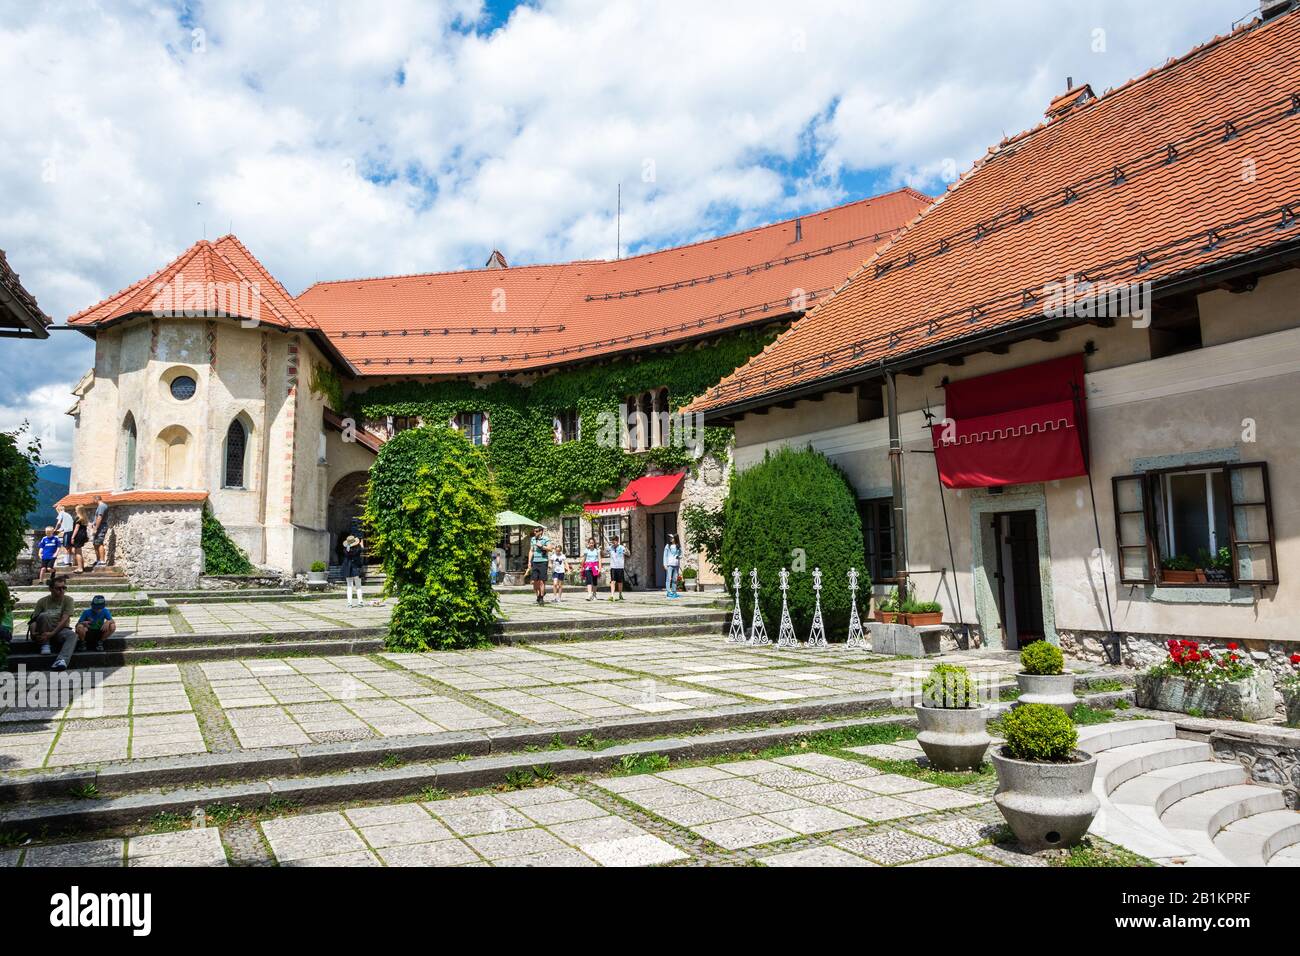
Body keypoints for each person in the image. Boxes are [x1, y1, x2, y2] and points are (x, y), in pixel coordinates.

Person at [28, 576, 77, 671]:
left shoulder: (68, 600)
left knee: (73, 636)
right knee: (43, 615)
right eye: (58, 588)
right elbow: (34, 620)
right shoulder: (42, 601)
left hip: (60, 629)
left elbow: (64, 619)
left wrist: (52, 633)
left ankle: (62, 660)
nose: (62, 591)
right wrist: (33, 633)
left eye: (64, 588)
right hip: (44, 629)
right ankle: (45, 644)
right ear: (50, 589)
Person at [341, 534, 365, 607]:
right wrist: (361, 544)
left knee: (349, 586)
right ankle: (360, 602)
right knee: (358, 586)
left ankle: (349, 603)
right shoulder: (358, 549)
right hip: (356, 569)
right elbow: (361, 548)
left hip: (348, 569)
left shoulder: (345, 549)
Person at [528, 525, 550, 605]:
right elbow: (531, 551)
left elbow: (550, 548)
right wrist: (529, 562)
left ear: (541, 532)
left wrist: (542, 546)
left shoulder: (546, 539)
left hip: (543, 561)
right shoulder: (533, 539)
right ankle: (538, 595)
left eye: (536, 531)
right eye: (534, 531)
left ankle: (541, 598)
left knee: (542, 581)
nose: (535, 533)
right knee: (534, 582)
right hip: (535, 561)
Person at [90, 494, 110, 568]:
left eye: (93, 499)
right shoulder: (100, 506)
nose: (93, 501)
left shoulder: (102, 506)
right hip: (99, 526)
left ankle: (102, 561)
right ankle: (98, 560)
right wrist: (93, 524)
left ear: (96, 499)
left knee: (99, 543)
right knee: (95, 543)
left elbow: (100, 517)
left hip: (101, 527)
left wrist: (96, 528)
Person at [607, 535, 629, 602]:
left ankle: (620, 594)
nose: (614, 543)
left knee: (620, 582)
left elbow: (628, 554)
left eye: (615, 541)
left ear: (617, 541)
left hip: (620, 567)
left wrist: (626, 549)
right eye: (613, 542)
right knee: (613, 581)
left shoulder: (622, 547)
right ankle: (612, 595)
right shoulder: (610, 548)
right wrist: (602, 550)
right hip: (613, 567)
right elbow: (604, 553)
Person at [581, 536, 602, 602]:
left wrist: (600, 568)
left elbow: (599, 560)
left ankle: (594, 594)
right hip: (588, 566)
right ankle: (589, 594)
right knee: (588, 580)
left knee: (594, 581)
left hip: (595, 566)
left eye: (592, 543)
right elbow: (584, 559)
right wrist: (582, 567)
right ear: (588, 544)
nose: (591, 544)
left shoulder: (597, 551)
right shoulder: (586, 551)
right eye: (590, 543)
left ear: (594, 543)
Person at [71, 506, 90, 573]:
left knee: (77, 552)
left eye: (76, 510)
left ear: (78, 510)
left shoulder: (78, 518)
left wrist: (72, 537)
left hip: (78, 536)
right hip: (82, 535)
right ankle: (82, 566)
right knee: (79, 551)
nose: (75, 511)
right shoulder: (84, 518)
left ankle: (80, 568)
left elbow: (76, 528)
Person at [662, 533, 682, 599]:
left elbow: (681, 555)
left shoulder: (678, 546)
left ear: (675, 538)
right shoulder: (667, 546)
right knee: (668, 578)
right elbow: (665, 556)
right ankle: (668, 592)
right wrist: (665, 564)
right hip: (669, 564)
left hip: (676, 565)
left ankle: (674, 592)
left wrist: (678, 557)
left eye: (672, 538)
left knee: (675, 579)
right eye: (670, 538)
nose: (671, 539)